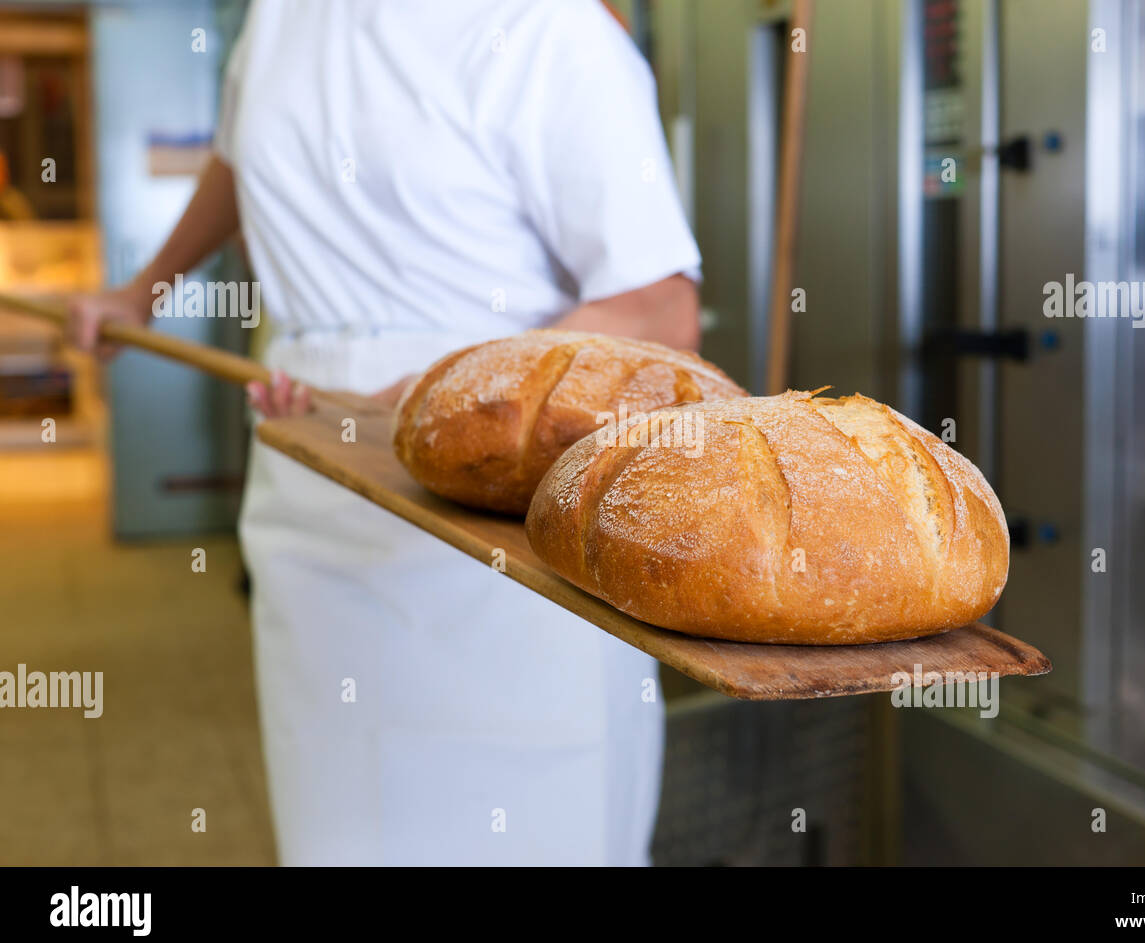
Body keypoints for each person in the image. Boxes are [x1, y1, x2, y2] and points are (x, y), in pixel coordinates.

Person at [68, 0, 702, 865]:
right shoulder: (281, 14)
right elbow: (240, 151)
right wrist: (141, 290)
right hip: (309, 481)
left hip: (498, 514)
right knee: (342, 822)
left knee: (530, 820)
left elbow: (659, 309)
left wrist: (459, 386)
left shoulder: (551, 28)